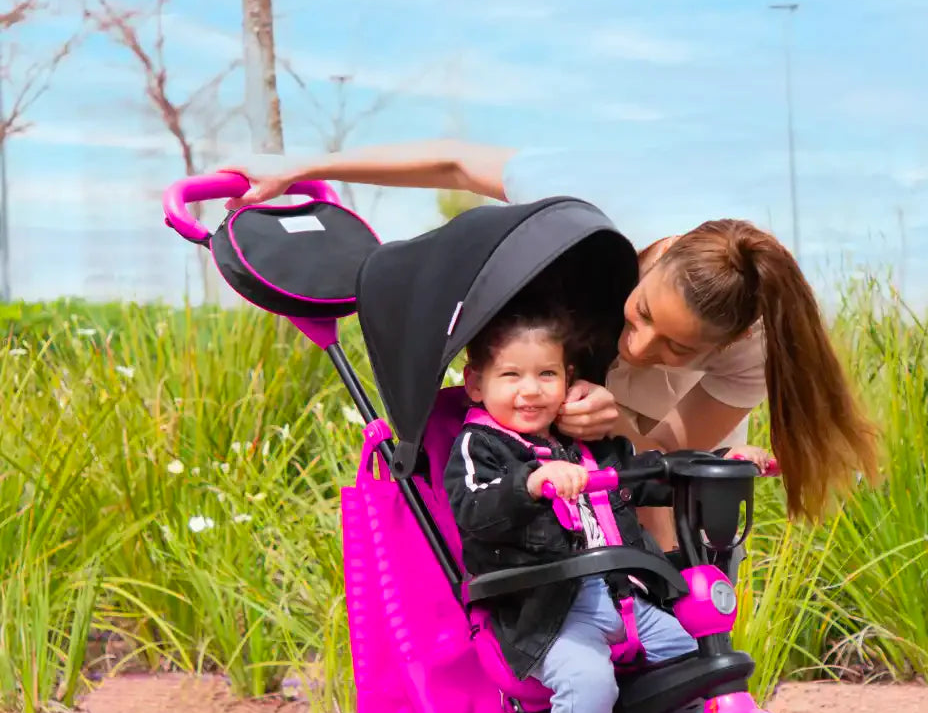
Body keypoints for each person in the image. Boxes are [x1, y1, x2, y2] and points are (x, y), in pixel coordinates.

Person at [221, 139, 877, 542]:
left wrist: (617, 420)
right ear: (657, 256)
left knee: (674, 547)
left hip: (633, 428)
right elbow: (454, 161)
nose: (644, 347)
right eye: (644, 313)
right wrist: (304, 165)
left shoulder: (753, 347)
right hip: (554, 356)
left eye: (678, 348)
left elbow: (674, 448)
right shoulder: (593, 199)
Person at [443, 306, 770, 713]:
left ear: (568, 382)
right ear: (476, 385)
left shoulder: (587, 447)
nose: (530, 390)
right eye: (511, 376)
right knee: (586, 678)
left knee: (698, 661)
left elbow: (647, 479)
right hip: (544, 614)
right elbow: (474, 508)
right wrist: (531, 482)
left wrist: (717, 461)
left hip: (621, 600)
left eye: (546, 375)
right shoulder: (481, 448)